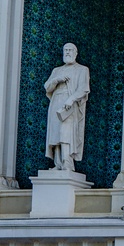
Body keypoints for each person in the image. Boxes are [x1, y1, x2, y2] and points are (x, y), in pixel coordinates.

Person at [44, 43, 90, 173]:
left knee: (66, 133)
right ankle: (58, 163)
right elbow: (47, 87)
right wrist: (56, 80)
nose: (68, 52)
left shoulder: (82, 69)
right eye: (65, 50)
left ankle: (67, 163)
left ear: (76, 53)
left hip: (70, 105)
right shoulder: (57, 70)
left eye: (70, 50)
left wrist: (71, 99)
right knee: (55, 134)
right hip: (55, 103)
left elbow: (83, 89)